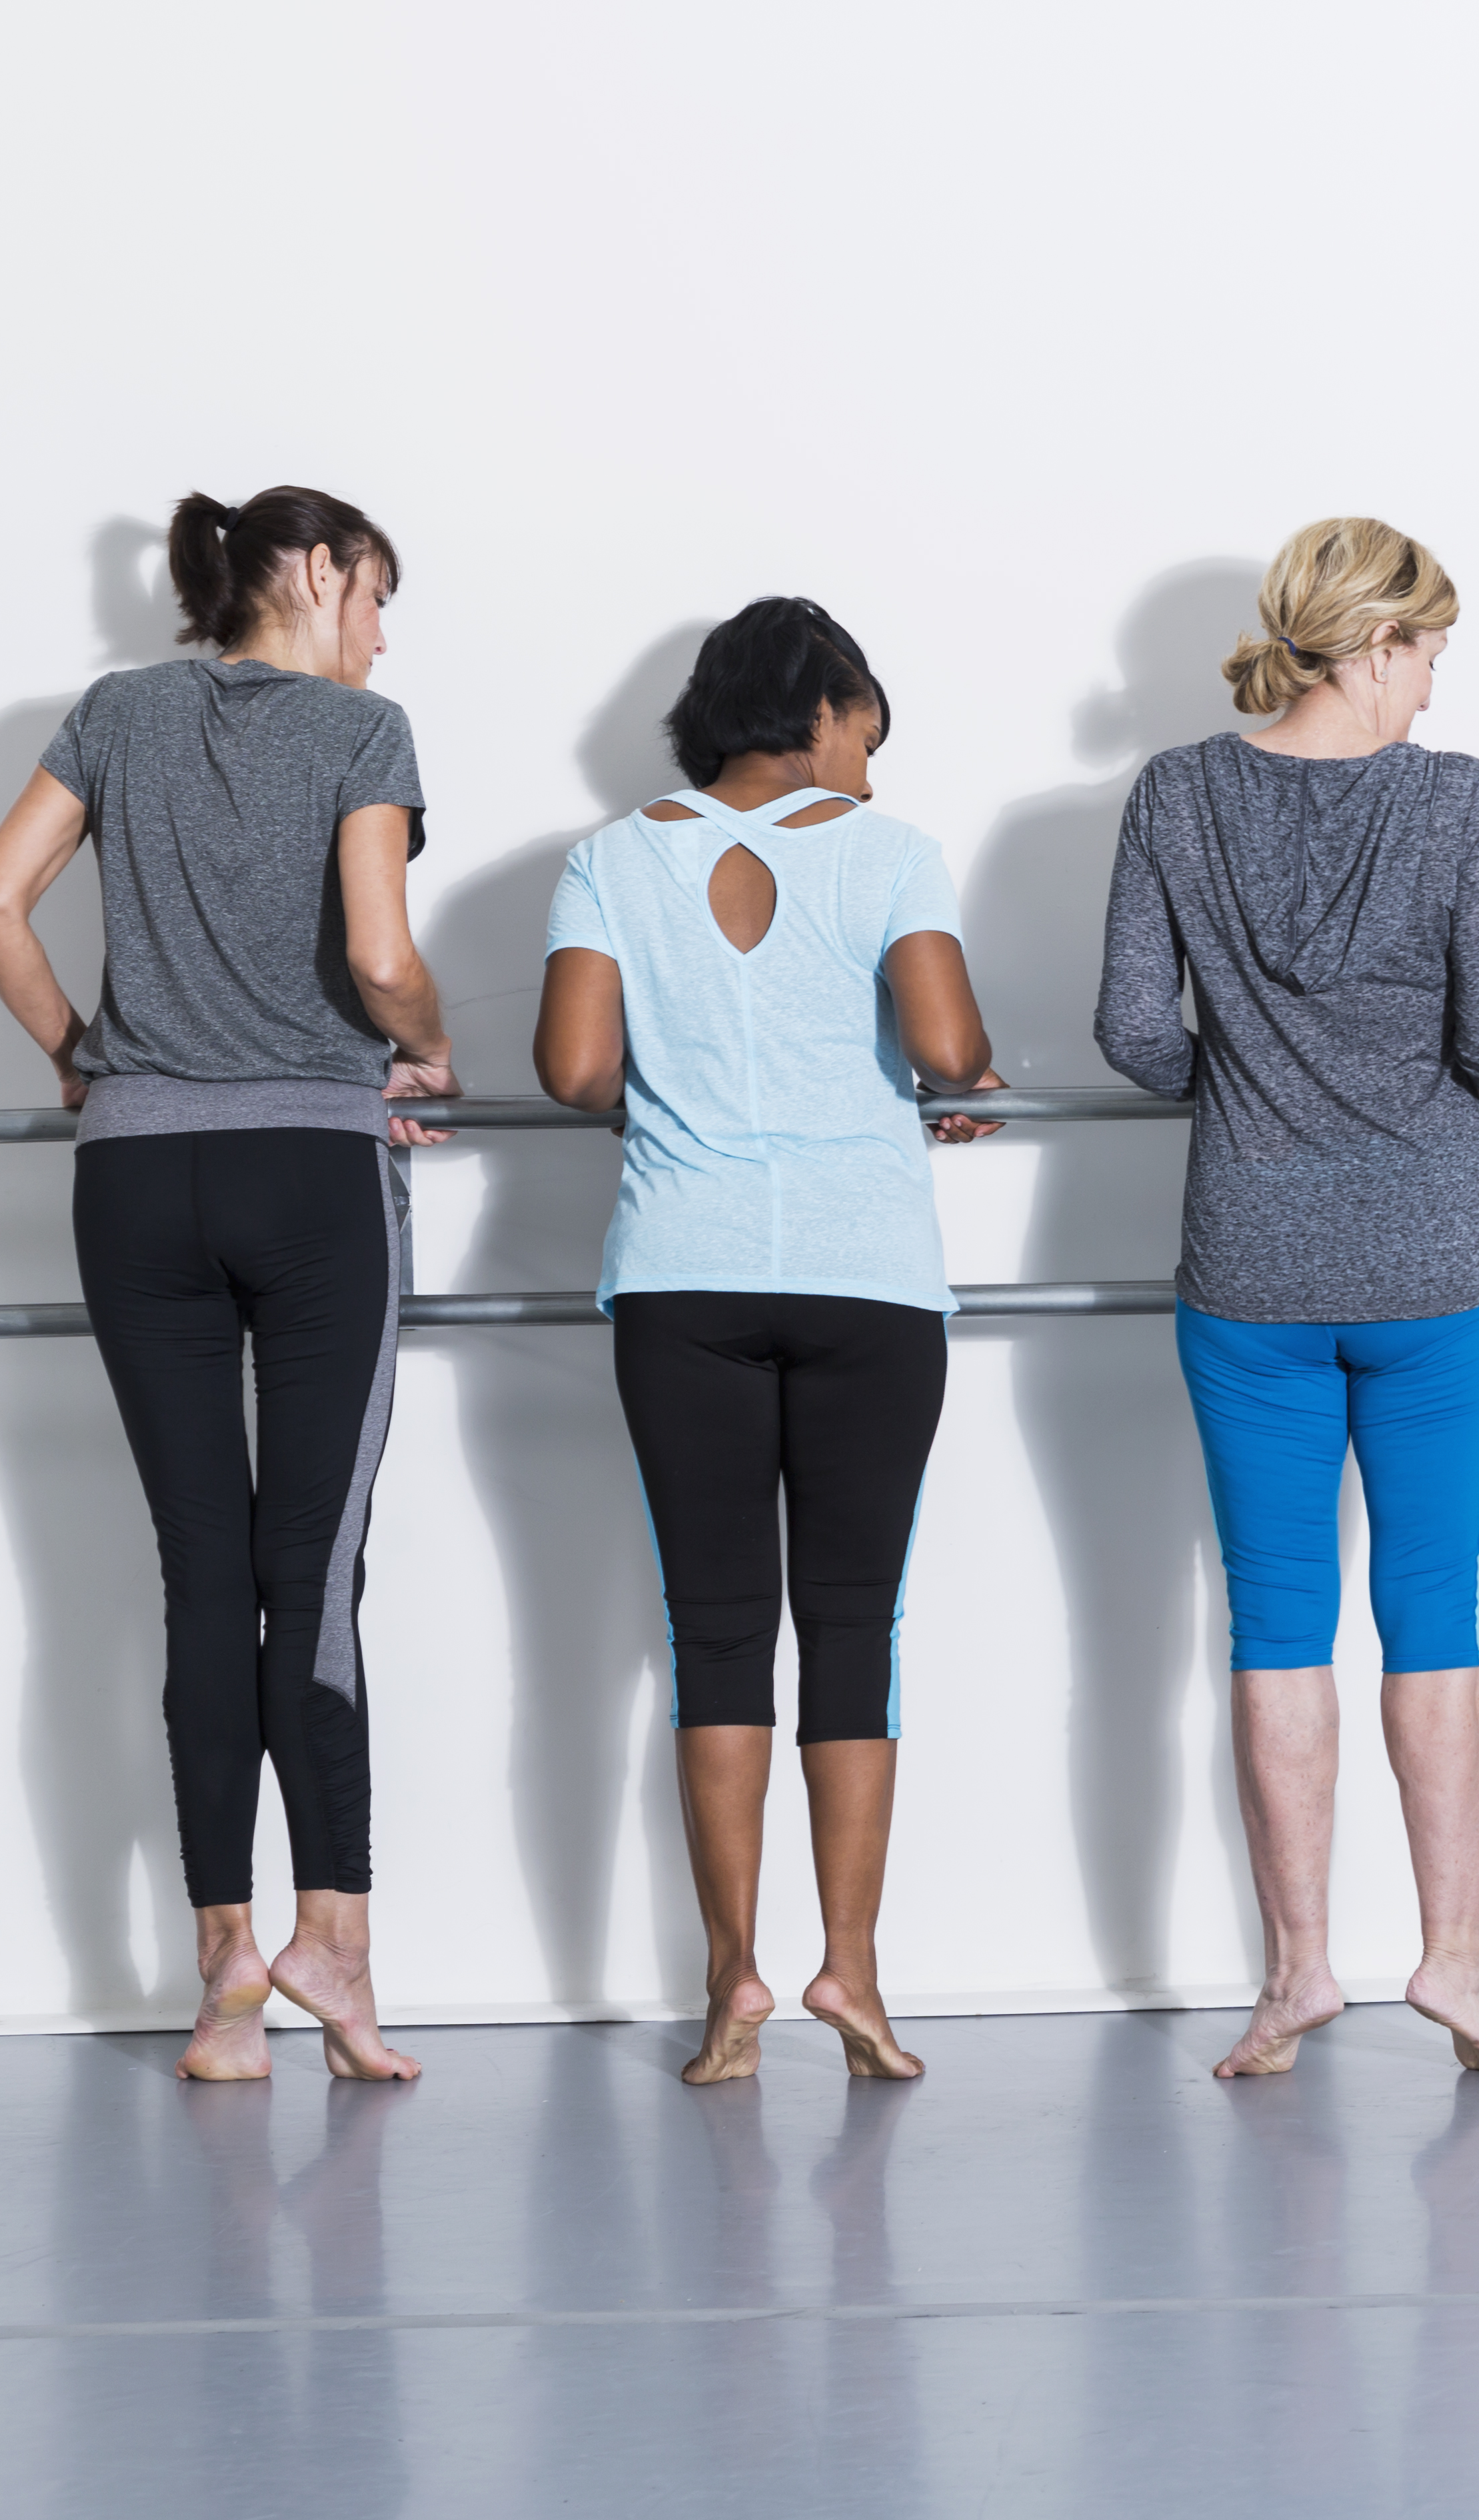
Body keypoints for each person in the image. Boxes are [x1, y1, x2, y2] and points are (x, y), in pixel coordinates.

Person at [0, 486, 449, 2081]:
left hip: (135, 1182)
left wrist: (80, 1061)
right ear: (313, 573)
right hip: (312, 1181)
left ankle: (226, 1979)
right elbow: (379, 957)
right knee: (310, 1578)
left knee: (199, 1572)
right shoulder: (365, 738)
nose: (381, 629)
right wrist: (431, 1037)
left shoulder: (113, 713)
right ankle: (341, 1954)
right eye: (376, 591)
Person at [1096, 519, 1479, 2081]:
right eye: (1426, 653)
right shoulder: (1459, 805)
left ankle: (1295, 1977)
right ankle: (1462, 1968)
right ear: (1371, 648)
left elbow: (1137, 1033)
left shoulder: (1175, 795)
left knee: (1277, 1619)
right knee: (1436, 1609)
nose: (1432, 686)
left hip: (1250, 1264)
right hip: (1432, 1262)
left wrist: (1247, 1073)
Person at [534, 599, 1002, 2085]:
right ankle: (850, 1974)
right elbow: (941, 1049)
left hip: (683, 1275)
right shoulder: (890, 852)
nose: (872, 758)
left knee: (717, 1630)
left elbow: (574, 1066)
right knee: (854, 1627)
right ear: (827, 706)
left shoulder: (612, 859)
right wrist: (975, 1072)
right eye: (869, 724)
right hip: (867, 1280)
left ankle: (731, 1980)